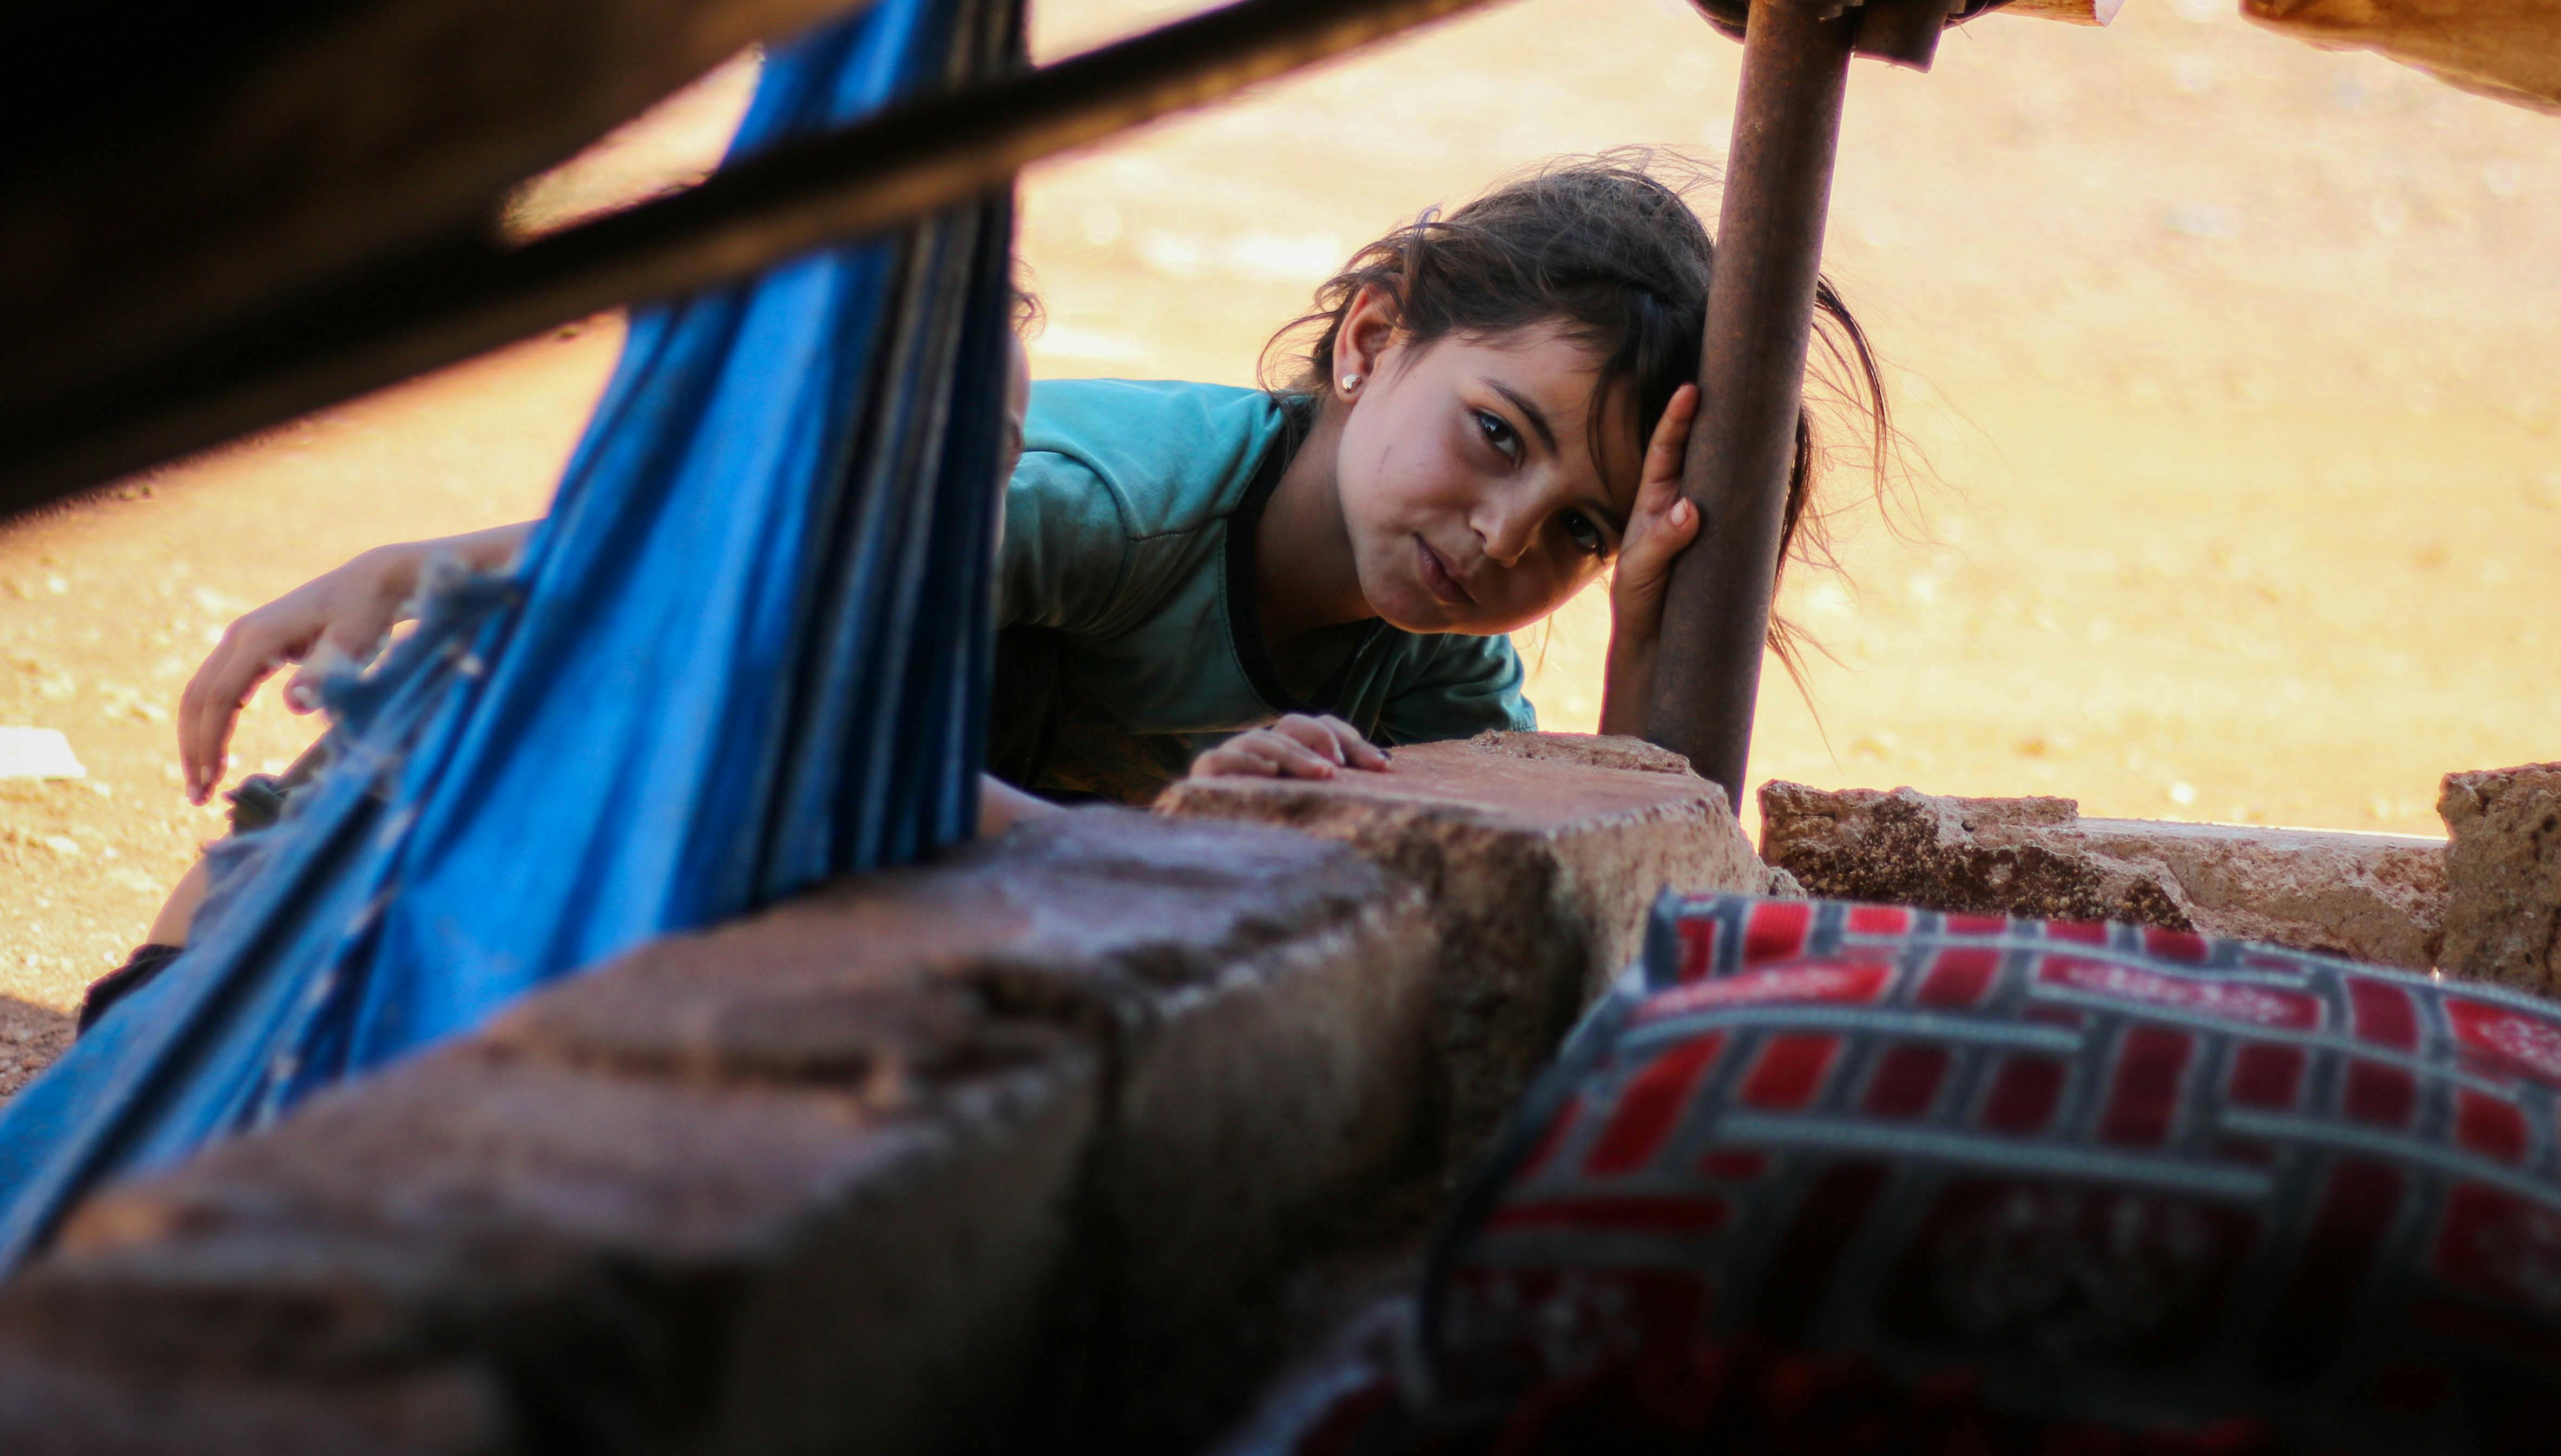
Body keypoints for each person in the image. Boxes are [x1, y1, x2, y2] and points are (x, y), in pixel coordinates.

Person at [155, 156, 1886, 921]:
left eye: (1577, 528)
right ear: (1371, 340)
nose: (1504, 535)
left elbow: (1567, 889)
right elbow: (739, 591)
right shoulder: (1098, 507)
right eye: (1496, 440)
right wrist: (445, 575)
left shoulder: (1433, 673)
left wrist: (1644, 623)